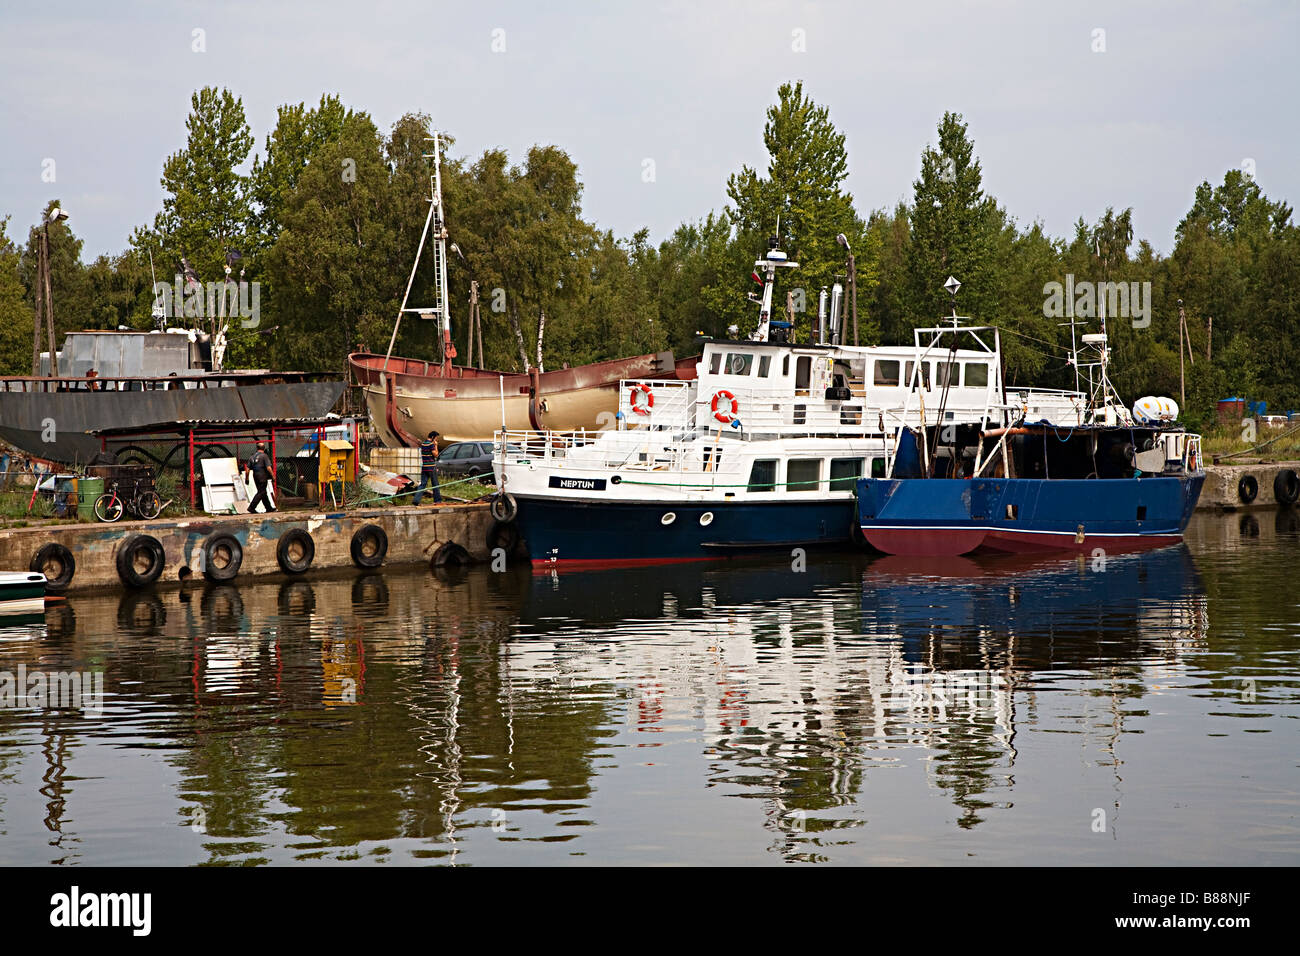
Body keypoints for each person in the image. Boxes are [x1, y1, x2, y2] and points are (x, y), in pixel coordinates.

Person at [243, 441, 276, 513]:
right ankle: (251, 507)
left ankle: (268, 508)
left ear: (257, 448)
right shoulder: (264, 456)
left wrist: (247, 479)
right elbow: (268, 468)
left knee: (263, 492)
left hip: (255, 476)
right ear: (264, 448)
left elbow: (247, 470)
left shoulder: (252, 457)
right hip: (262, 476)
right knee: (261, 492)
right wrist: (273, 476)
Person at [412, 430, 443, 506]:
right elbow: (436, 455)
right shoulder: (431, 444)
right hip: (431, 467)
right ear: (432, 437)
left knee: (422, 484)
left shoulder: (423, 444)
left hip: (424, 467)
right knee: (435, 484)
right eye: (435, 438)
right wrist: (436, 445)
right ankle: (437, 500)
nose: (436, 440)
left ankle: (416, 500)